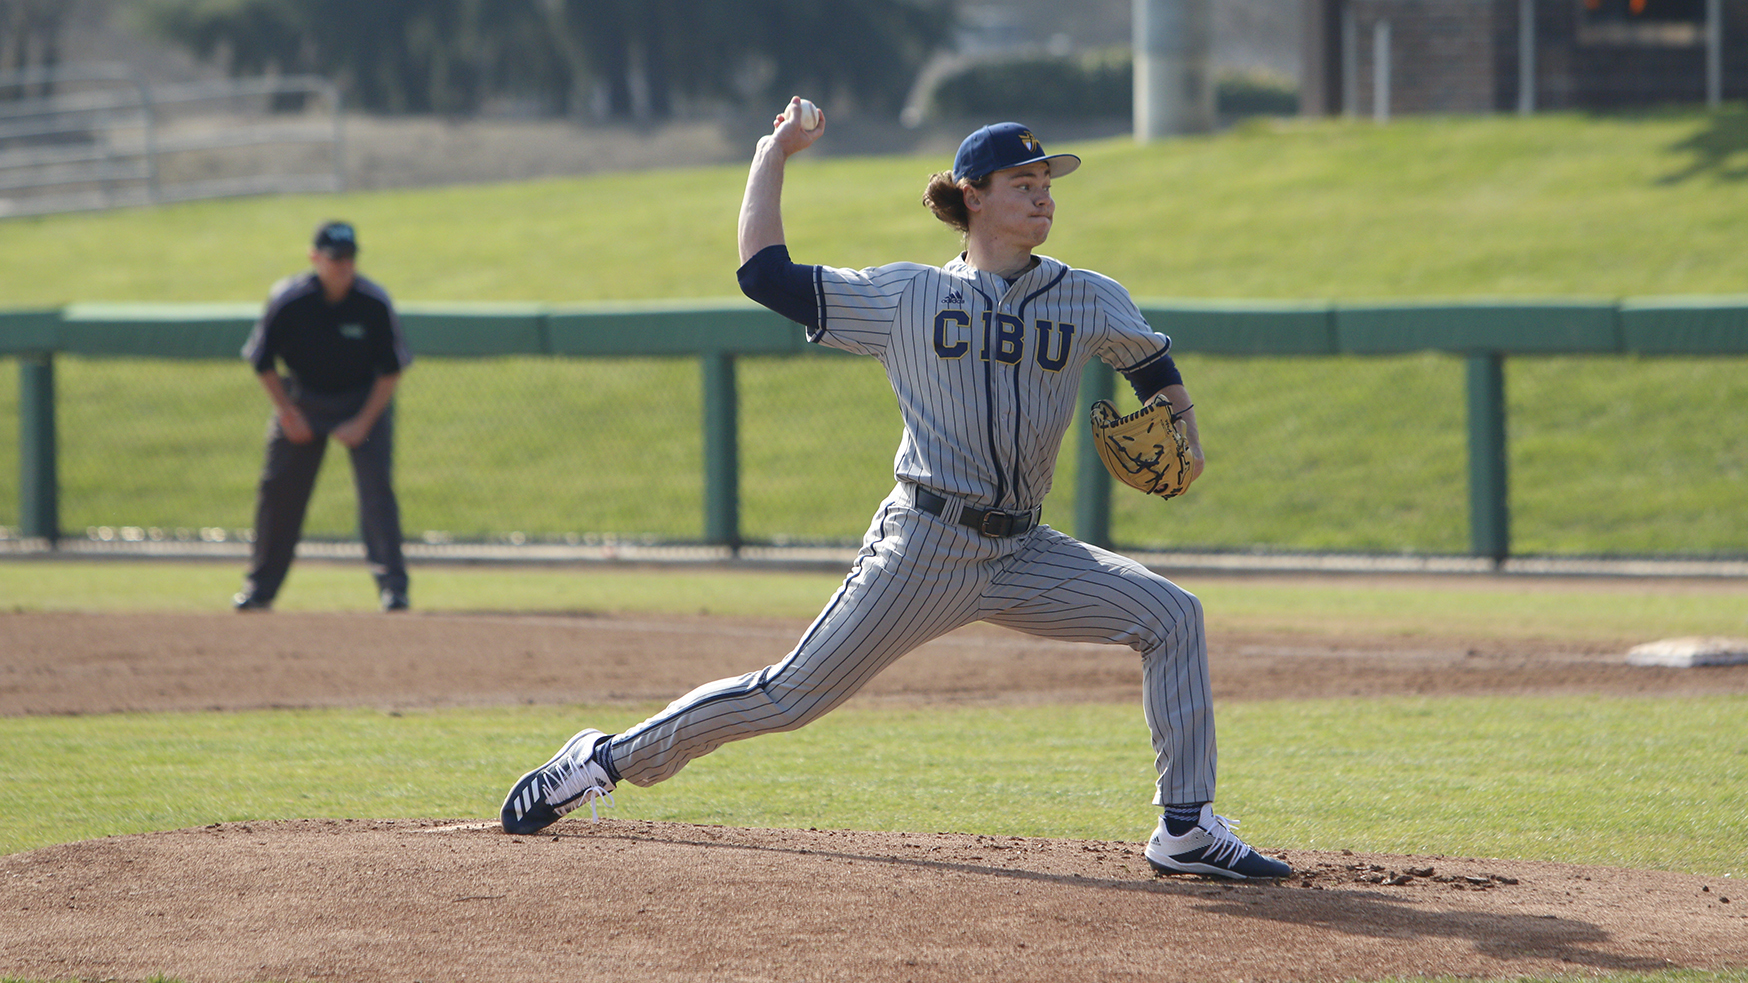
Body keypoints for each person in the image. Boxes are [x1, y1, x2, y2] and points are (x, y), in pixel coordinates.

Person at [500, 104, 1291, 880]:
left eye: (1048, 183)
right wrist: (774, 153)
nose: (1044, 196)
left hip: (1024, 550)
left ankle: (1185, 827)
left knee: (1171, 615)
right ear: (973, 196)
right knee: (788, 697)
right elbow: (763, 274)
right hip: (924, 547)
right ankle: (603, 759)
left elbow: (1151, 367)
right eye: (1023, 183)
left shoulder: (1089, 295)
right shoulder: (906, 297)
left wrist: (1188, 439)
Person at [233, 221, 414, 613]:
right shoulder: (290, 299)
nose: (344, 266)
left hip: (361, 401)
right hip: (303, 401)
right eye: (335, 259)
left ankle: (393, 589)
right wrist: (287, 413)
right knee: (278, 490)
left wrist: (363, 422)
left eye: (350, 258)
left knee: (377, 493)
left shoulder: (372, 301)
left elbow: (391, 371)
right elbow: (261, 360)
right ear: (314, 258)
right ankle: (260, 588)